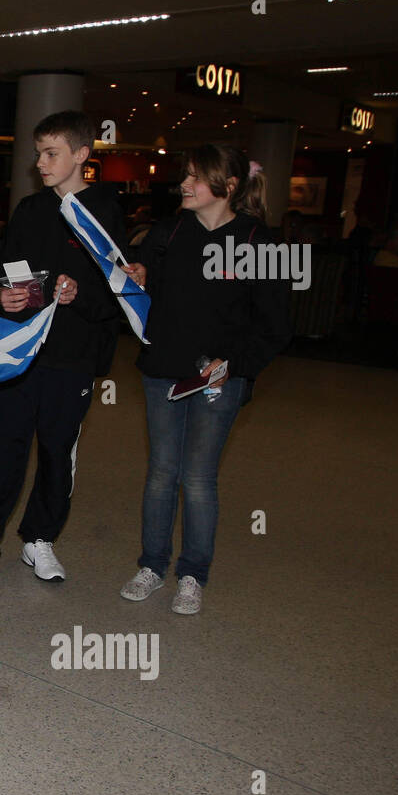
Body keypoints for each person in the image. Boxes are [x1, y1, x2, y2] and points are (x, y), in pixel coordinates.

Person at [0, 110, 122, 591]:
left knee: (58, 450)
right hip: (22, 352)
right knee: (3, 447)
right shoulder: (29, 209)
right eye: (39, 153)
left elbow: (121, 293)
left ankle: (40, 537)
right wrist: (6, 296)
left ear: (82, 155)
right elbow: (9, 271)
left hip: (76, 354)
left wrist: (79, 295)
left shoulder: (107, 212)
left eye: (51, 154)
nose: (40, 163)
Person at [117, 145, 291, 615]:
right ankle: (152, 565)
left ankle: (192, 574)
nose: (185, 185)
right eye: (185, 176)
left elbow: (274, 323)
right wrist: (139, 278)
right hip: (162, 374)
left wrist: (235, 363)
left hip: (220, 378)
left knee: (197, 479)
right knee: (160, 474)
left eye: (195, 178)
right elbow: (150, 293)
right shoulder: (166, 233)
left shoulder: (258, 241)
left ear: (228, 186)